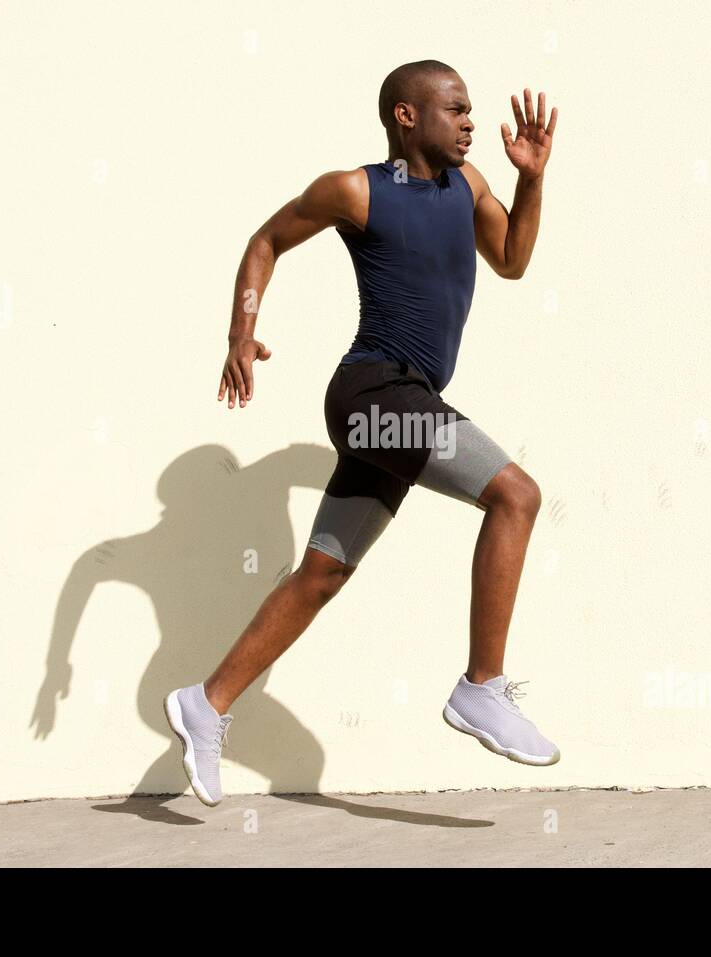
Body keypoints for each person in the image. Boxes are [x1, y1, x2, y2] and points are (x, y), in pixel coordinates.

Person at [165, 60, 560, 806]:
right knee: (517, 494)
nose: (471, 120)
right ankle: (482, 685)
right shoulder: (356, 190)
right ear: (406, 117)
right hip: (373, 391)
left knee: (322, 573)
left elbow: (510, 260)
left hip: (397, 402)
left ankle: (206, 702)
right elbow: (265, 240)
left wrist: (531, 180)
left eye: (472, 108)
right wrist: (240, 333)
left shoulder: (469, 186)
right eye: (455, 108)